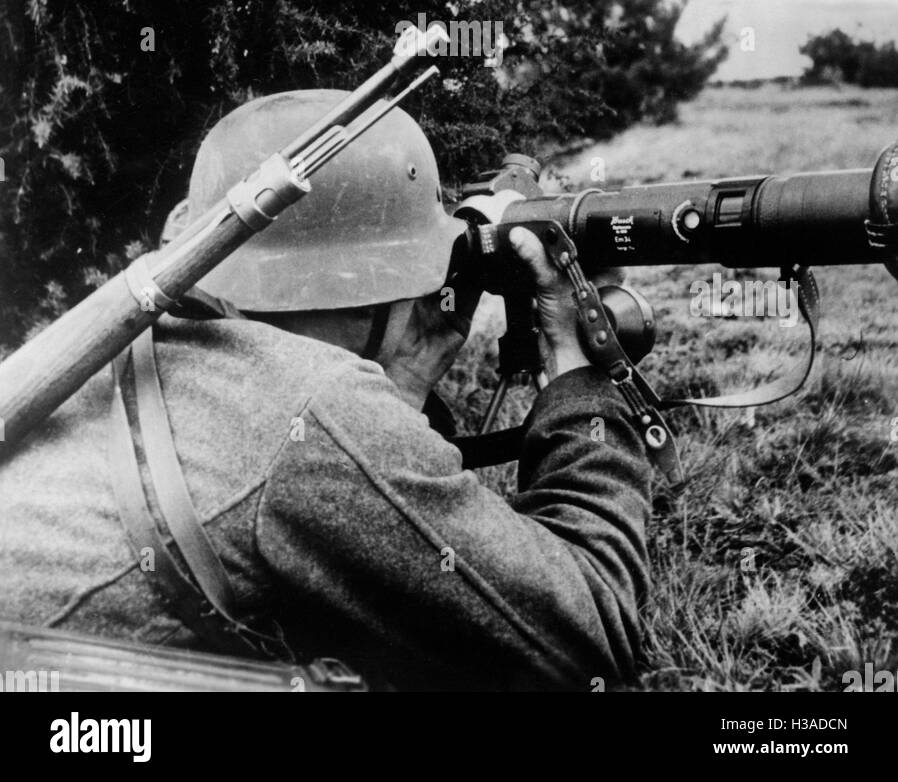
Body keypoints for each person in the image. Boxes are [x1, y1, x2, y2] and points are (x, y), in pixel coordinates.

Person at [0, 90, 651, 692]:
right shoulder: (310, 403)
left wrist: (407, 377)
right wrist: (575, 365)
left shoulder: (134, 329)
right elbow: (592, 635)